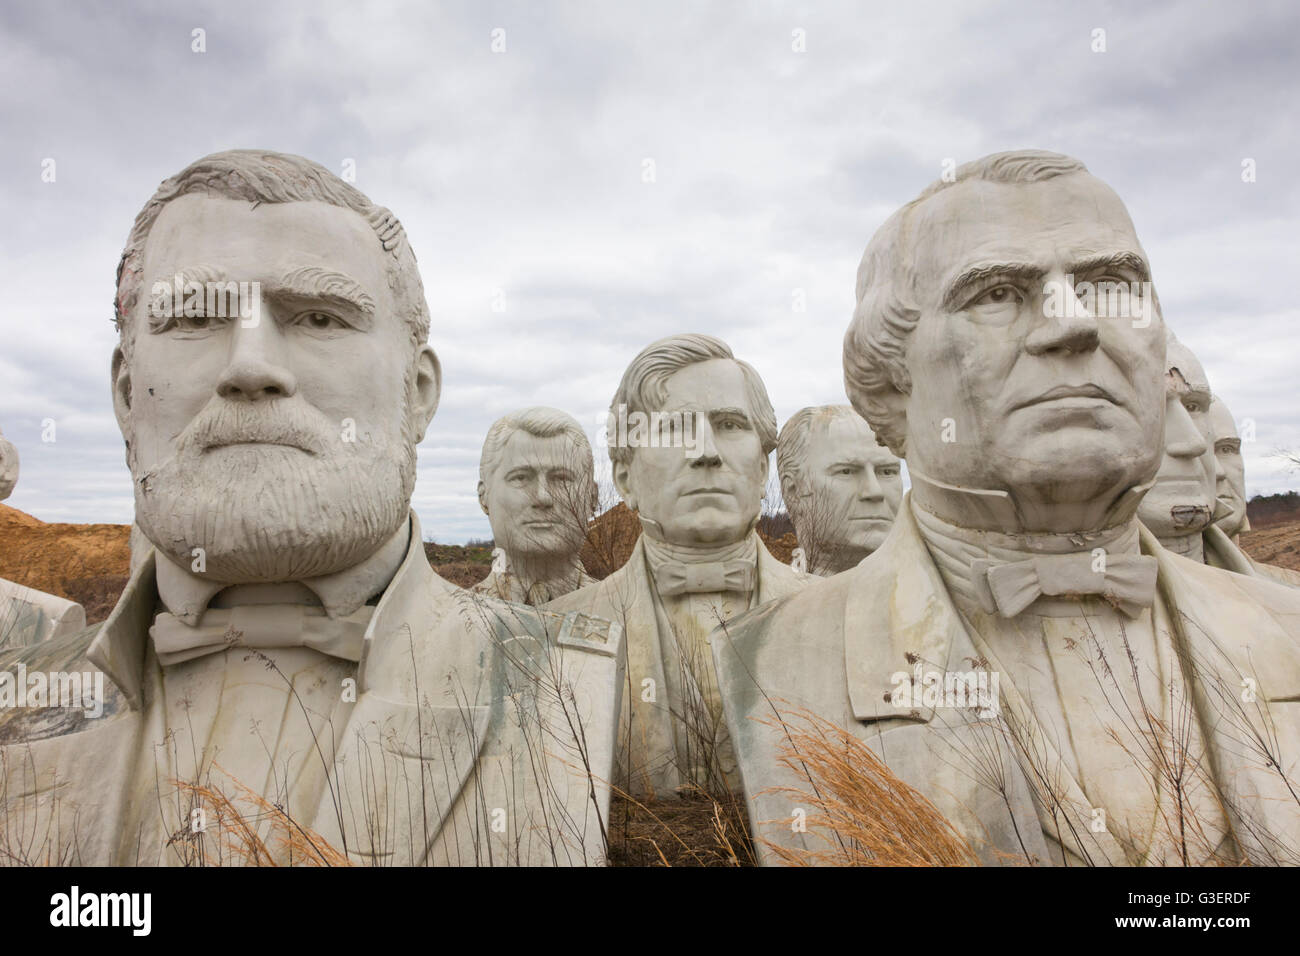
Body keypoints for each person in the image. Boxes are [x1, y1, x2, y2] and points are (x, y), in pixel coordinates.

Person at [0, 150, 622, 866]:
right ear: (123, 395)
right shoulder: (22, 703)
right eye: (195, 316)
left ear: (416, 394)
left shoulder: (565, 679)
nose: (250, 365)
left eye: (320, 317)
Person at [714, 150, 1300, 866]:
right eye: (996, 294)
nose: (1072, 326)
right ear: (887, 376)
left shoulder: (1285, 630)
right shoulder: (773, 664)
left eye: (1112, 286)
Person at [547, 333, 806, 797]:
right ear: (625, 477)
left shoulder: (841, 619)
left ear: (764, 470)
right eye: (674, 429)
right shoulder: (552, 638)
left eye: (729, 424)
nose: (705, 451)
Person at [472, 407, 598, 604]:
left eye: (561, 479)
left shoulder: (627, 615)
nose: (542, 497)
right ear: (483, 496)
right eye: (520, 478)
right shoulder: (446, 624)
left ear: (592, 497)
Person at [776, 405, 902, 576]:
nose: (875, 492)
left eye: (887, 472)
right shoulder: (769, 600)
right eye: (846, 471)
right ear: (793, 491)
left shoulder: (937, 595)